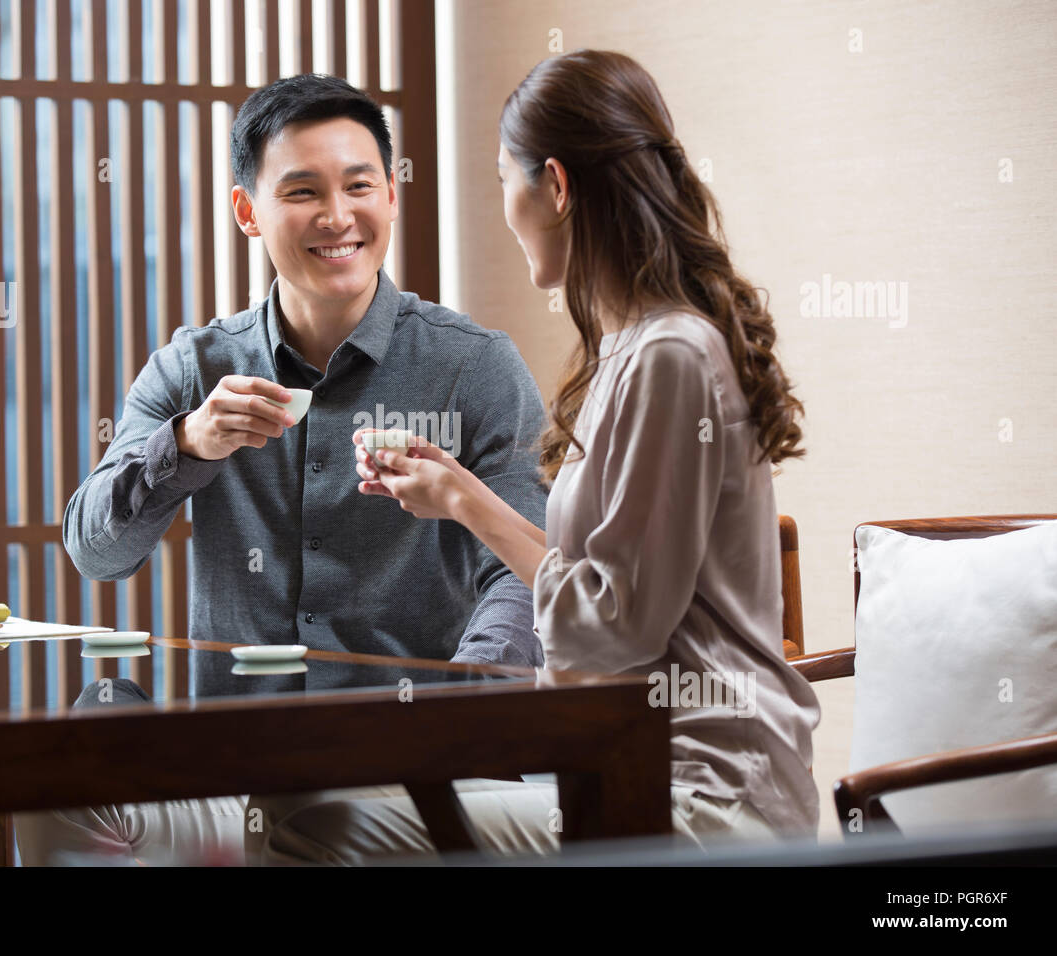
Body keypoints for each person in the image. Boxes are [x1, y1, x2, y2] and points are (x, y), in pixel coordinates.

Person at [261, 49, 823, 864]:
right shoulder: (632, 348)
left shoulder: (670, 356)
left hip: (702, 793)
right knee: (305, 798)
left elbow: (614, 629)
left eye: (504, 179)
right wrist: (456, 492)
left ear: (554, 186)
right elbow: (600, 588)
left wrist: (469, 505)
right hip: (623, 766)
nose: (504, 208)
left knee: (318, 826)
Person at [14, 73, 549, 865]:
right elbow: (97, 551)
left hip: (410, 777)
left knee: (326, 819)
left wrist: (462, 709)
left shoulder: (473, 368)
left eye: (359, 186)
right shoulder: (193, 370)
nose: (337, 216)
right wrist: (186, 445)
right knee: (60, 780)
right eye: (303, 191)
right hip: (236, 771)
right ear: (247, 211)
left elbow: (526, 571)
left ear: (391, 196)